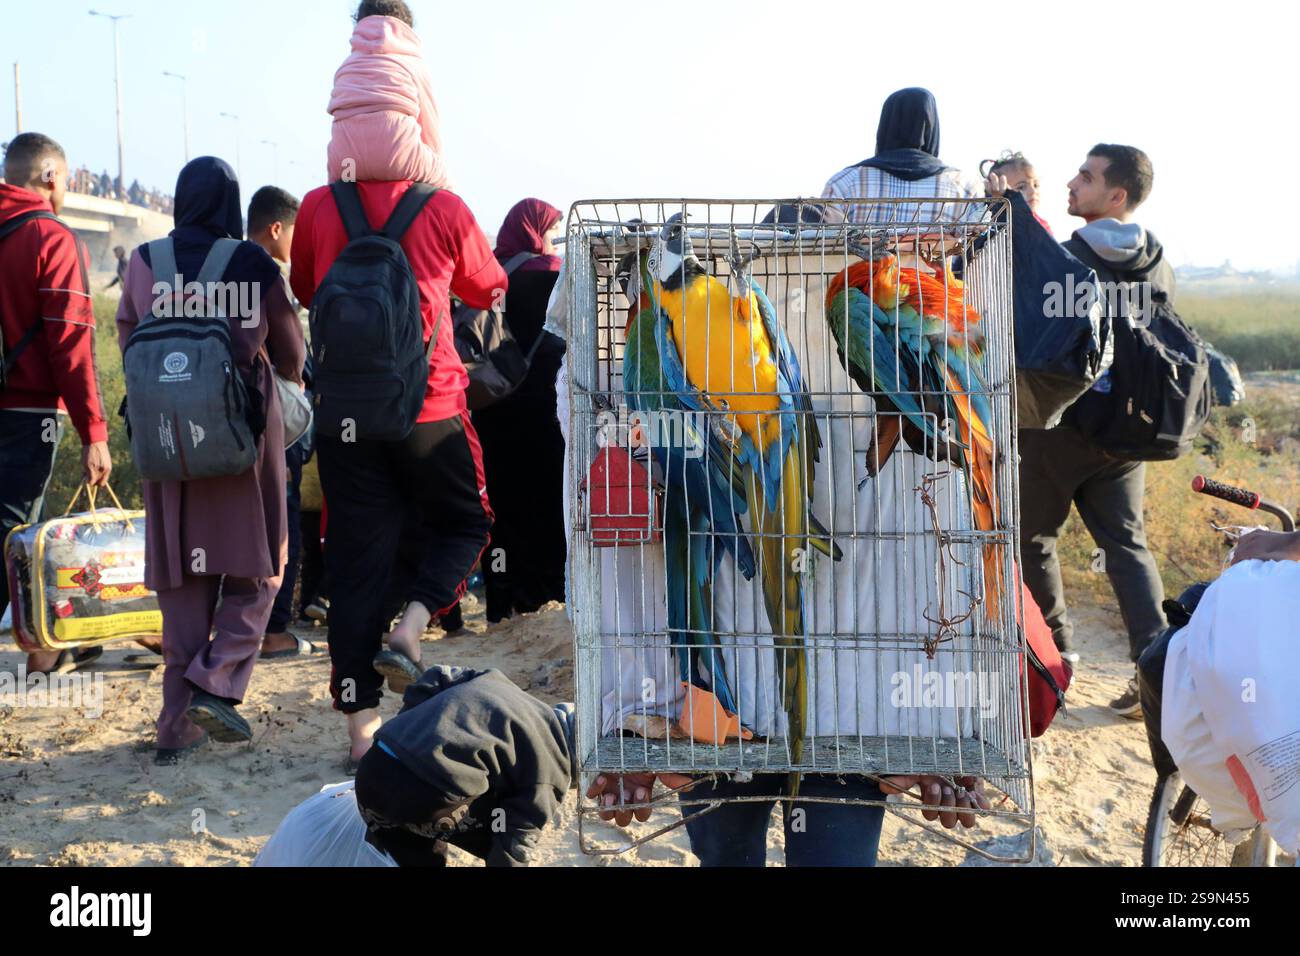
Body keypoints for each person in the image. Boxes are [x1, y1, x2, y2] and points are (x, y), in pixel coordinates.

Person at [290, 166, 504, 771]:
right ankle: (410, 626)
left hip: (345, 416)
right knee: (467, 523)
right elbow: (488, 287)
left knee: (355, 562)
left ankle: (362, 732)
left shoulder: (316, 206)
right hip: (430, 405)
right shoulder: (445, 207)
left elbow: (307, 288)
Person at [115, 156, 306, 764]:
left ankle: (175, 728)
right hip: (239, 446)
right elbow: (290, 351)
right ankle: (215, 682)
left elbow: (128, 339)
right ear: (230, 204)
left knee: (184, 583)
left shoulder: (145, 262)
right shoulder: (252, 264)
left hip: (167, 445)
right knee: (260, 570)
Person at [1013, 144, 1169, 718]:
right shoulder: (1159, 264)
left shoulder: (1067, 258)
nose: (1072, 183)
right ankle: (1156, 676)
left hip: (1059, 431)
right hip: (1127, 437)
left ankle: (1058, 663)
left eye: (1086, 176)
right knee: (1127, 548)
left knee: (1033, 540)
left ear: (1117, 195)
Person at [0, 132, 113, 677]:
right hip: (27, 415)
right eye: (66, 180)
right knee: (15, 533)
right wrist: (94, 430)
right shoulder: (51, 237)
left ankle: (45, 652)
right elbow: (71, 346)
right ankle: (44, 651)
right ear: (50, 177)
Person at [473, 199, 567, 623]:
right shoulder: (558, 275)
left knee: (502, 506)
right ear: (537, 232)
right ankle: (548, 595)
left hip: (496, 408)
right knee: (549, 501)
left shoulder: (491, 277)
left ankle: (500, 601)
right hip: (547, 412)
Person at [247, 186, 319, 660]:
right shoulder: (265, 272)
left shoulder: (210, 266)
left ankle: (234, 621)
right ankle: (273, 628)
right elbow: (293, 353)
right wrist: (297, 381)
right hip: (271, 417)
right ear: (276, 229)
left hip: (224, 418)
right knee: (281, 520)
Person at [327, 0, 449, 188]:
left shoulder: (346, 65)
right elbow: (430, 130)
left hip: (348, 165)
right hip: (399, 160)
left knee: (340, 192)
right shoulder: (413, 64)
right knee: (443, 182)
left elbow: (339, 119)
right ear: (407, 30)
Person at [821, 86, 982, 224]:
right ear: (931, 129)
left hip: (865, 262)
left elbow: (821, 246)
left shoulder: (845, 183)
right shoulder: (965, 188)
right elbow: (981, 245)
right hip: (932, 262)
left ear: (885, 126)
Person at [981, 150, 1051, 234]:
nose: (1033, 191)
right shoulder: (994, 225)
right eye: (1021, 187)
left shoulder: (1043, 225)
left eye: (1035, 185)